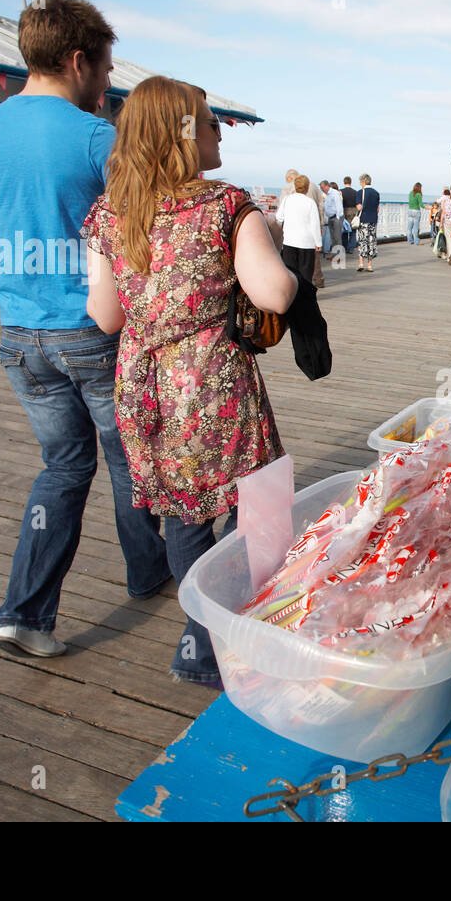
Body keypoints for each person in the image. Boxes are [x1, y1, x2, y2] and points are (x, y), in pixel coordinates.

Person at [0, 0, 170, 659]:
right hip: (90, 329)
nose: (109, 83)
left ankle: (22, 612)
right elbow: (142, 226)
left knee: (63, 466)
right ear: (79, 59)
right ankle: (147, 572)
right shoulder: (95, 137)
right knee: (127, 459)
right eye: (107, 69)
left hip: (20, 334)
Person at [84, 77, 298, 685]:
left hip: (146, 385)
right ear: (182, 134)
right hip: (211, 382)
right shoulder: (225, 206)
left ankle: (203, 646)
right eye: (209, 121)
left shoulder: (110, 213)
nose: (217, 130)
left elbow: (106, 316)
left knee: (182, 515)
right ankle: (240, 636)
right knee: (259, 504)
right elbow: (274, 292)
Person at [281, 169, 326, 287]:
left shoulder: (287, 200)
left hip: (289, 241)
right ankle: (305, 297)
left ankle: (292, 297)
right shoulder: (310, 203)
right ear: (307, 187)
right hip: (306, 242)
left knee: (291, 273)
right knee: (305, 274)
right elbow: (314, 224)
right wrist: (318, 243)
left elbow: (279, 217)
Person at [355, 173, 381, 272]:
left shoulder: (360, 192)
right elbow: (377, 209)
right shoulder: (376, 193)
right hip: (373, 220)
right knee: (371, 241)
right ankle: (369, 265)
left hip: (363, 219)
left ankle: (361, 263)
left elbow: (359, 207)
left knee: (362, 241)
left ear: (363, 182)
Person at [320, 180, 343, 255]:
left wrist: (338, 218)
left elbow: (338, 206)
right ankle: (334, 254)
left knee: (337, 237)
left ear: (327, 186)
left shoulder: (334, 193)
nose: (322, 189)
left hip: (336, 217)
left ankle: (339, 255)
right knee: (332, 238)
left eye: (322, 188)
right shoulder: (327, 195)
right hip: (330, 217)